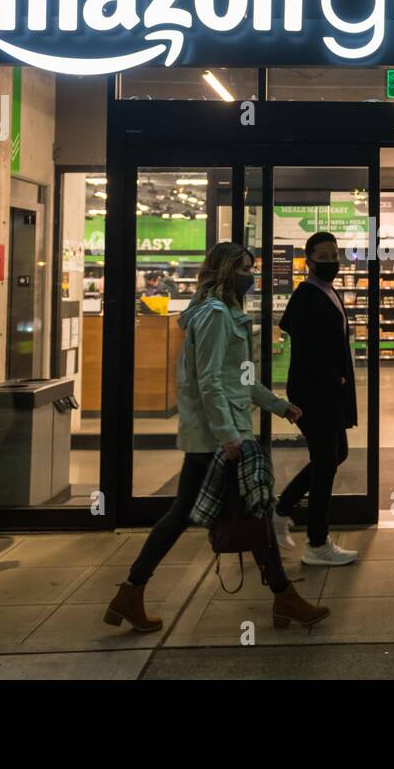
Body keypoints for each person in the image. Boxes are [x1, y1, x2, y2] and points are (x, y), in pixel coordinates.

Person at [105, 241, 328, 632]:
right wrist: (228, 435)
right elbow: (209, 381)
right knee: (250, 510)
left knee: (192, 514)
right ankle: (284, 596)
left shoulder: (224, 313)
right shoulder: (214, 316)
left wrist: (278, 406)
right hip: (219, 436)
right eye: (245, 268)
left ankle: (132, 591)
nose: (251, 276)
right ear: (226, 271)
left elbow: (238, 377)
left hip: (218, 432)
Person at [272, 231, 359, 566]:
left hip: (327, 390)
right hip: (315, 391)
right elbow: (306, 344)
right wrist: (333, 376)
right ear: (308, 261)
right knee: (326, 461)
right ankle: (317, 543)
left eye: (334, 255)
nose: (330, 262)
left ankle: (280, 511)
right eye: (322, 257)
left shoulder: (325, 289)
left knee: (337, 453)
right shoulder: (307, 295)